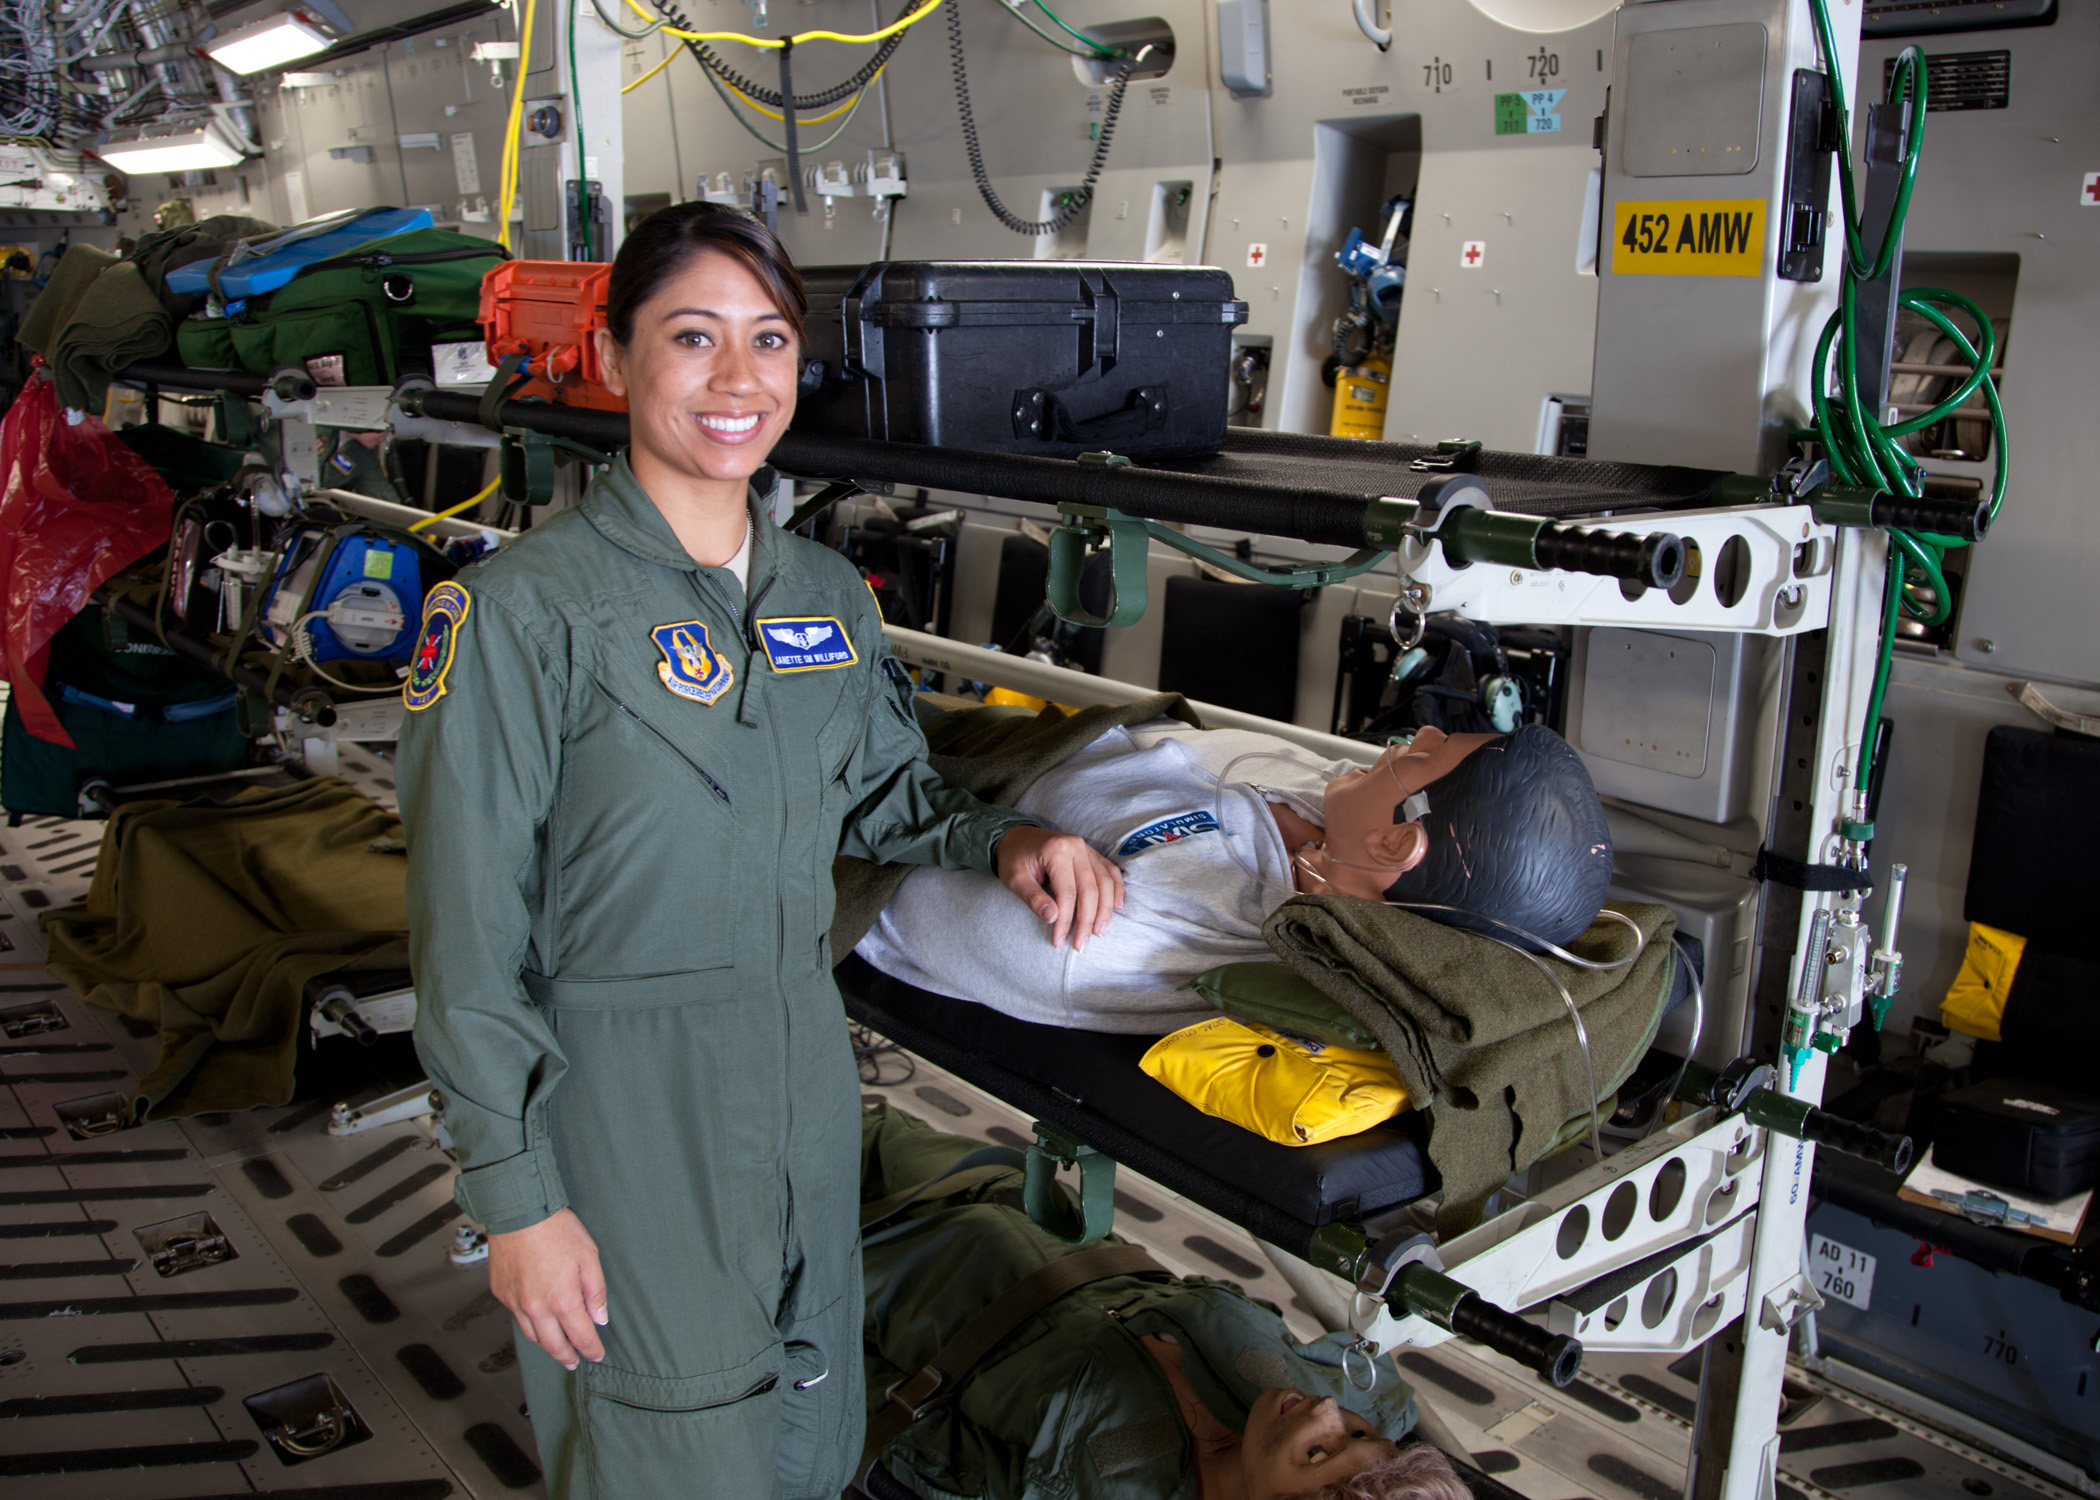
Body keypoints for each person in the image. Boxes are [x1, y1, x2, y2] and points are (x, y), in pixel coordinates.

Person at [396, 203, 1125, 1500]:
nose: (739, 380)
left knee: (809, 1434)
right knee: (669, 1446)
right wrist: (515, 1200)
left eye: (770, 340)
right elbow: (466, 938)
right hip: (623, 1095)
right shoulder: (518, 616)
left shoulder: (824, 599)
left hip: (800, 1068)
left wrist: (1006, 838)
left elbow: (885, 791)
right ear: (614, 360)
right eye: (694, 337)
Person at [857, 1099, 1473, 1500]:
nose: (1326, 1413)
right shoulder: (1365, 1401)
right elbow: (1380, 1395)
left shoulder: (1086, 1488)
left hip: (879, 1272)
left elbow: (882, 1428)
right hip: (1002, 1192)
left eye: (1317, 1453)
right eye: (1356, 1431)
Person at [857, 712, 1612, 1033]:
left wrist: (993, 834)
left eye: (1426, 754)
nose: (1418, 733)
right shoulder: (1330, 800)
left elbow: (885, 894)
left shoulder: (1125, 933)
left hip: (866, 805)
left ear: (1395, 846)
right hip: (971, 737)